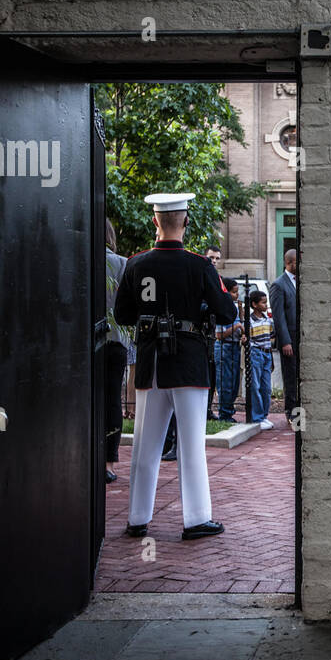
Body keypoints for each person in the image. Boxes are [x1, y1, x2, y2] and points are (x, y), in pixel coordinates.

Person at [113, 191, 236, 540]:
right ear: (185, 221)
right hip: (189, 364)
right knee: (191, 444)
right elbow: (227, 311)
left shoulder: (135, 264)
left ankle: (137, 518)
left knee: (145, 444)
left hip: (151, 362)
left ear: (155, 221)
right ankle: (195, 519)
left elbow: (122, 314)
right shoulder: (200, 265)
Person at [104, 219, 133, 484]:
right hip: (116, 340)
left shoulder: (83, 260)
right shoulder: (123, 264)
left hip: (89, 341)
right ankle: (109, 461)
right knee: (113, 400)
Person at [205, 246, 242, 421]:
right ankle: (212, 411)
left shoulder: (219, 280)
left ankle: (218, 411)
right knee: (214, 379)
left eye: (217, 258)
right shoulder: (205, 276)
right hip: (211, 338)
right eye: (211, 257)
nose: (214, 261)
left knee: (220, 379)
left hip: (220, 340)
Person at [268, 248, 300, 425]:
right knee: (290, 377)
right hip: (289, 340)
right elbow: (278, 317)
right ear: (289, 263)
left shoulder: (299, 281)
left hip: (300, 338)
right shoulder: (278, 285)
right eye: (297, 261)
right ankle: (291, 414)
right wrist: (286, 341)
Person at [243, 289, 275, 430]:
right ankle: (257, 417)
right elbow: (246, 339)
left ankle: (264, 415)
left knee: (266, 387)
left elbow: (271, 336)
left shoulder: (267, 320)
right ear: (254, 304)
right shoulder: (249, 321)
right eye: (263, 302)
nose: (266, 305)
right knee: (255, 385)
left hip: (267, 354)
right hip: (256, 353)